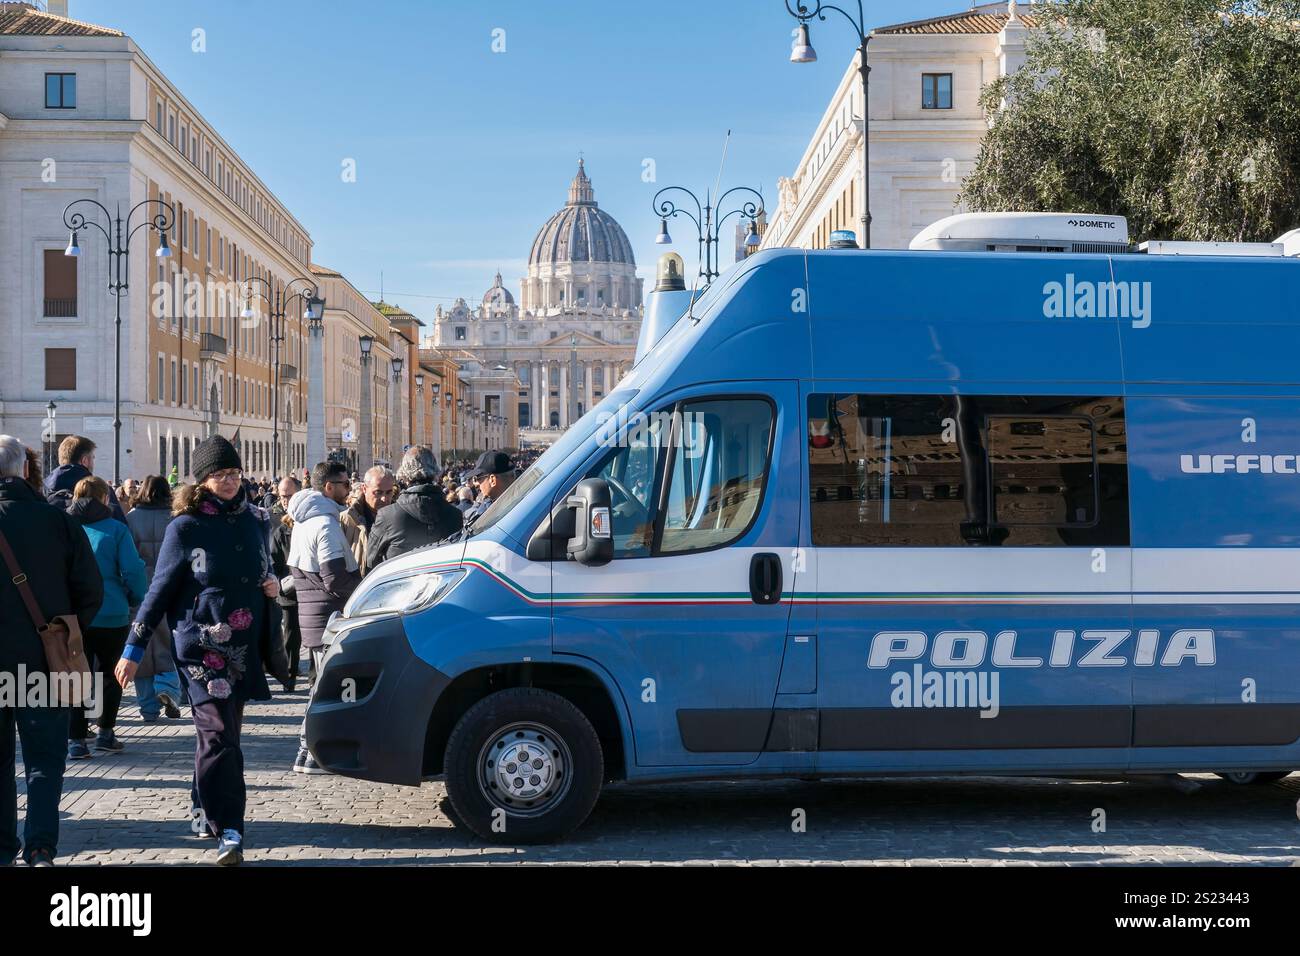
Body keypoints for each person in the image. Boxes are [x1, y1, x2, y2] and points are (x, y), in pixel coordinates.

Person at [114, 435, 283, 866]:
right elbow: (159, 588)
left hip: (242, 646)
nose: (229, 481)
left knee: (225, 735)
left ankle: (201, 800)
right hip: (201, 647)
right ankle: (229, 829)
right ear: (203, 480)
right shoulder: (184, 526)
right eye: (219, 475)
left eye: (234, 473)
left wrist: (273, 585)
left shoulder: (255, 518)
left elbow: (269, 569)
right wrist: (134, 645)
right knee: (220, 736)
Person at [0, 436, 103, 866]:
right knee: (45, 760)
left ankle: (2, 848)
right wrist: (67, 631)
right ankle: (40, 845)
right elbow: (90, 591)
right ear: (25, 470)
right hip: (46, 662)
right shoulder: (57, 522)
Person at [287, 462, 361, 773]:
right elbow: (334, 578)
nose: (349, 489)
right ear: (328, 487)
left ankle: (308, 752)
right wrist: (365, 589)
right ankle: (313, 752)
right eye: (345, 483)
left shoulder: (303, 523)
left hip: (312, 616)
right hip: (329, 617)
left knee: (319, 688)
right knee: (326, 690)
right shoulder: (326, 525)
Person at [66, 476, 147, 758]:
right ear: (104, 498)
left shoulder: (65, 527)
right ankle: (105, 732)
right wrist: (136, 597)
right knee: (109, 675)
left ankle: (76, 737)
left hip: (73, 614)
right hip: (111, 611)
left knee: (76, 675)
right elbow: (133, 570)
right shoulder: (115, 529)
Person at [125, 476, 183, 722]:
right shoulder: (175, 519)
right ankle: (168, 687)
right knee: (170, 642)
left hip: (141, 590)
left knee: (142, 646)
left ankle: (148, 708)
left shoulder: (131, 519)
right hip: (170, 587)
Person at [365, 447, 463, 569]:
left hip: (402, 585)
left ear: (405, 475)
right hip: (445, 585)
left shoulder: (387, 516)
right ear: (435, 472)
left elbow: (370, 562)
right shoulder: (456, 515)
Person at [44, 435, 125, 522]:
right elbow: (120, 527)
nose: (93, 463)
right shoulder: (101, 489)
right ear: (85, 461)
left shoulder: (42, 489)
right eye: (93, 458)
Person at [269, 476, 302, 692]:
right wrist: (281, 581)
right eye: (282, 496)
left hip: (311, 588)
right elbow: (273, 559)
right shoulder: (277, 524)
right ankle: (289, 675)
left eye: (289, 496)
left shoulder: (309, 521)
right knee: (290, 634)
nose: (285, 501)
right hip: (288, 590)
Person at [339, 465, 395, 576]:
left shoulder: (399, 518)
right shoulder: (346, 519)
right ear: (364, 489)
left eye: (389, 492)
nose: (384, 498)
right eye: (378, 492)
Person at [459, 450, 518, 529]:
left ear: (492, 480)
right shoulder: (521, 500)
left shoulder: (506, 514)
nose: (476, 484)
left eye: (478, 478)